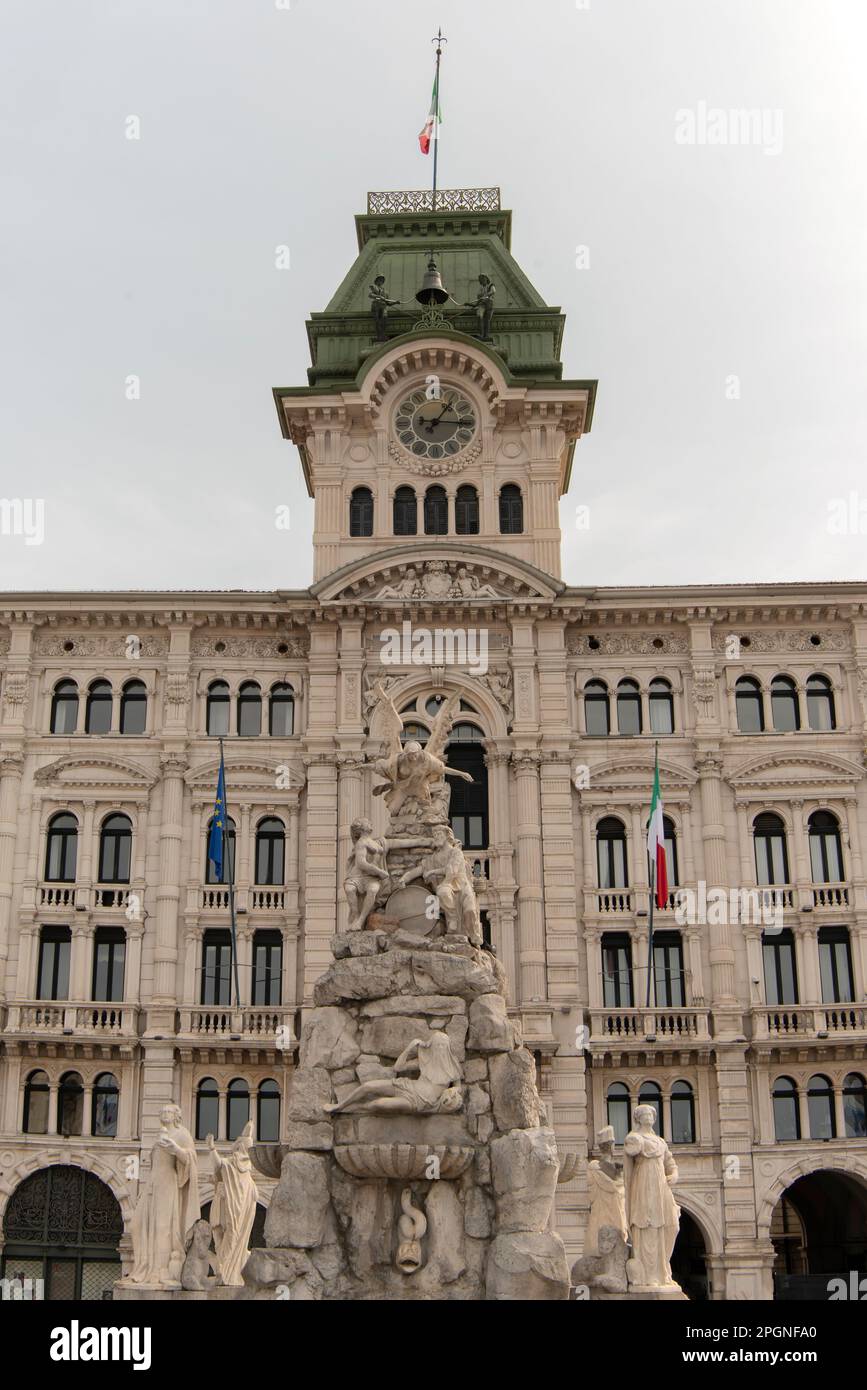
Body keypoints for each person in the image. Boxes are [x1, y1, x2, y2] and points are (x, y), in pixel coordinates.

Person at [127, 1103, 200, 1287]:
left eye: (169, 1111)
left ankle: (160, 1272)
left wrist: (175, 1148)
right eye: (163, 1111)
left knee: (162, 1228)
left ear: (176, 1116)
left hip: (168, 1182)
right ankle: (142, 1267)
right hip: (152, 1183)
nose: (165, 1114)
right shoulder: (158, 1135)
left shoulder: (182, 1134)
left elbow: (191, 1159)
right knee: (137, 1224)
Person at [623, 1104, 682, 1290]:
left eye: (650, 1113)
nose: (648, 1116)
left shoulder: (661, 1142)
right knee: (646, 1225)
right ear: (638, 1118)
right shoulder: (634, 1139)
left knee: (671, 1224)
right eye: (644, 1114)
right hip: (644, 1185)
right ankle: (648, 1276)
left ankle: (663, 1270)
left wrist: (674, 1174)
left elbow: (670, 1163)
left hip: (661, 1186)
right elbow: (629, 1154)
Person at [207, 1121, 257, 1286]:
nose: (242, 1154)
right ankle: (221, 1267)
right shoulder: (230, 1165)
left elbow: (250, 1198)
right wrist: (212, 1149)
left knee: (232, 1236)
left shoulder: (246, 1175)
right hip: (221, 1207)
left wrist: (212, 1149)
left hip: (235, 1213)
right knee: (219, 1236)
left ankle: (224, 1267)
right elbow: (218, 1165)